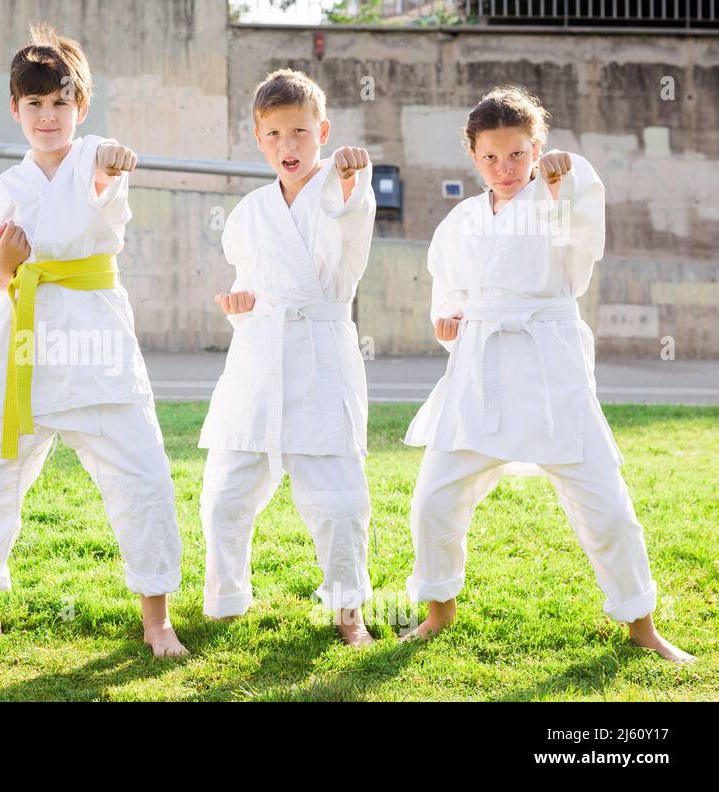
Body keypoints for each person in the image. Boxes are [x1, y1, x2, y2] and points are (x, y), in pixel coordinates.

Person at [402, 86, 694, 663]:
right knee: (434, 500)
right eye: (489, 157)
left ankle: (641, 624)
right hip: (480, 372)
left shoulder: (558, 197)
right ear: (473, 157)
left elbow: (583, 229)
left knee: (606, 505)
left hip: (548, 366)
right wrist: (451, 320)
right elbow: (450, 294)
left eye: (517, 155)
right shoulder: (461, 221)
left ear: (537, 151)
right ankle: (438, 609)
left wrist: (568, 178)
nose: (504, 168)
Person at [0, 24, 186, 657]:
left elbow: (105, 168)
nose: (49, 117)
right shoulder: (7, 188)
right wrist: (2, 267)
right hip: (23, 345)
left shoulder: (94, 157)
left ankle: (157, 617)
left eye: (61, 103)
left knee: (142, 477)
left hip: (97, 340)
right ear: (15, 109)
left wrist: (109, 164)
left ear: (81, 107)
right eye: (35, 104)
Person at [198, 69, 378, 645]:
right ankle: (226, 599)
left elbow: (351, 235)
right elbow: (247, 286)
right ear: (259, 139)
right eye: (273, 135)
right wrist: (239, 305)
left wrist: (352, 178)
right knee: (224, 494)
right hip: (257, 359)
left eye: (299, 131)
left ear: (321, 131)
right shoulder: (250, 211)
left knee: (340, 501)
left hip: (321, 354)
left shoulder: (343, 186)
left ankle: (349, 611)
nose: (288, 146)